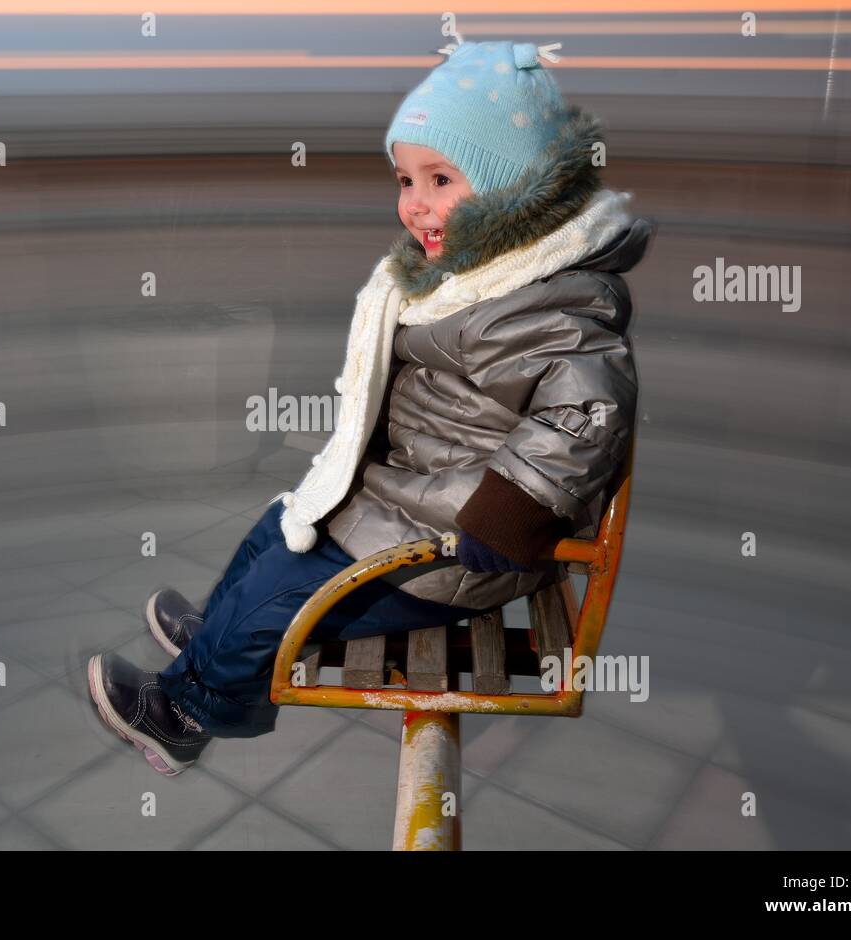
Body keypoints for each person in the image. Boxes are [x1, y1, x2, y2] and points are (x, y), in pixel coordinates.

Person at [87, 39, 653, 775]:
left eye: (441, 177)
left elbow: (584, 414)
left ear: (517, 189)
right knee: (277, 529)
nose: (415, 201)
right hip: (409, 496)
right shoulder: (479, 276)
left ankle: (190, 710)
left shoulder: (546, 300)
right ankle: (217, 639)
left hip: (462, 544)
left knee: (279, 595)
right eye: (405, 178)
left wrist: (509, 513)